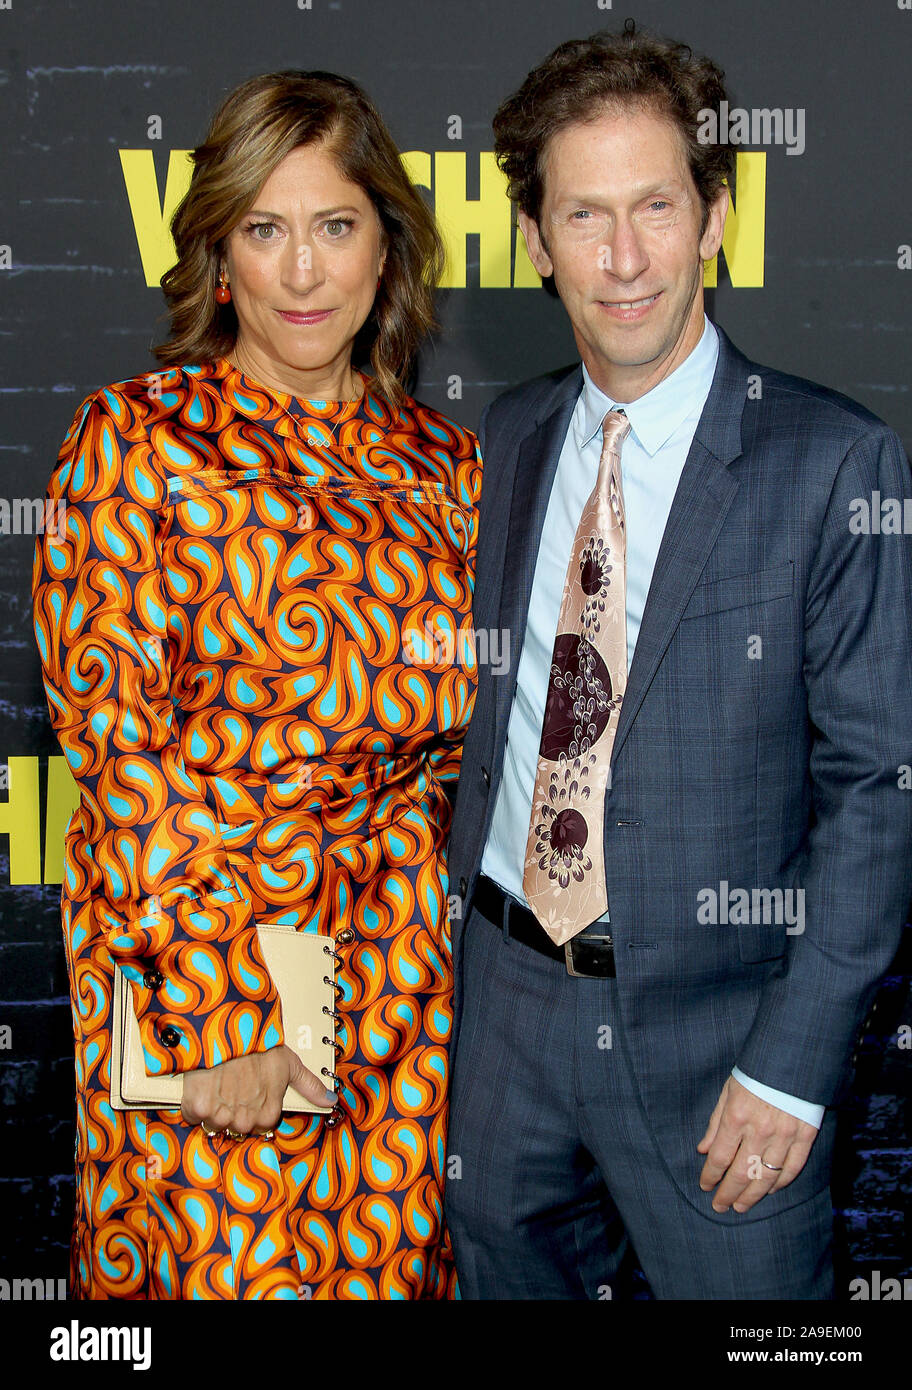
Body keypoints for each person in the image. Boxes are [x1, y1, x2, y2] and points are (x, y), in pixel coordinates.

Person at [444, 26, 912, 1300]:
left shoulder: (832, 464)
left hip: (723, 1048)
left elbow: (879, 789)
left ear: (714, 213)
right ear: (534, 243)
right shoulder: (513, 431)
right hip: (503, 1014)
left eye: (656, 205)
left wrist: (792, 1063)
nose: (625, 256)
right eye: (583, 215)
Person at [31, 69, 481, 1300]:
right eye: (264, 230)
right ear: (218, 250)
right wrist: (222, 1017)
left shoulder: (447, 467)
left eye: (335, 226)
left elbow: (462, 764)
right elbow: (119, 762)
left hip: (395, 990)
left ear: (387, 247)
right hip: (204, 970)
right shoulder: (136, 438)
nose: (301, 273)